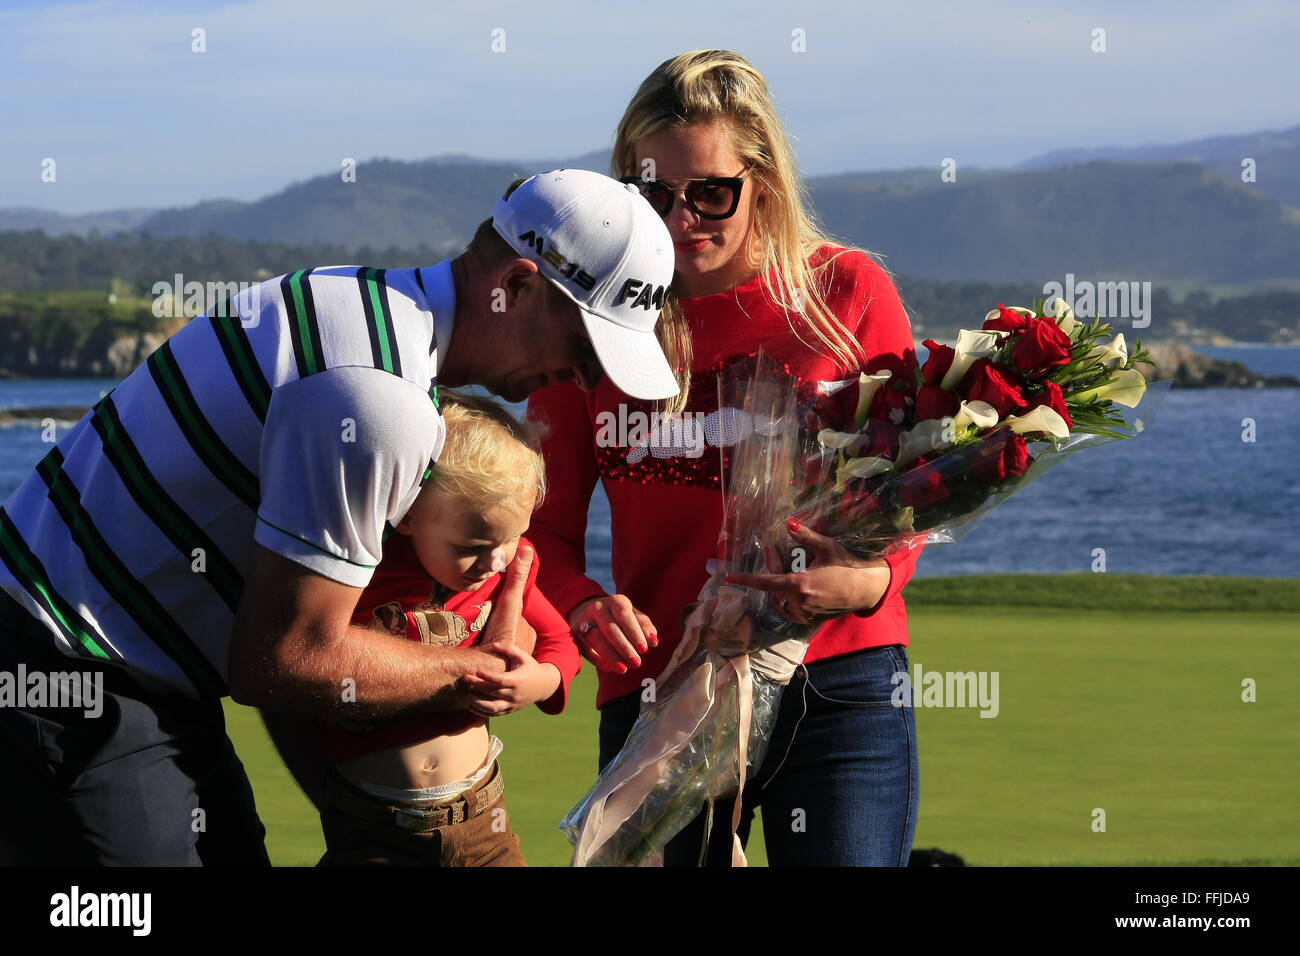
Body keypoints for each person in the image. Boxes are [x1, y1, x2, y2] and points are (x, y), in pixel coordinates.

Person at [0, 169, 679, 865]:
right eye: (587, 347)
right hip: (70, 664)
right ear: (518, 283)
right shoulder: (382, 402)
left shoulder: (353, 301)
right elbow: (286, 660)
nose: (587, 380)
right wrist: (478, 671)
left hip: (97, 654)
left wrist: (354, 808)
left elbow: (280, 644)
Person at [527, 50, 922, 866]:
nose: (682, 221)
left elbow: (912, 486)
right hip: (663, 687)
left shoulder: (845, 293)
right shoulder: (594, 326)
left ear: (762, 182)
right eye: (652, 195)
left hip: (837, 680)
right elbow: (539, 528)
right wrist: (579, 605)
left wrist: (874, 580)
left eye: (711, 192)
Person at [312, 390, 581, 867]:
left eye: (513, 536)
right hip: (371, 825)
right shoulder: (361, 569)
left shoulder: (506, 569)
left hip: (482, 823)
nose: (494, 560)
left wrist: (538, 682)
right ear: (409, 514)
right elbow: (306, 649)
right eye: (472, 544)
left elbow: (561, 643)